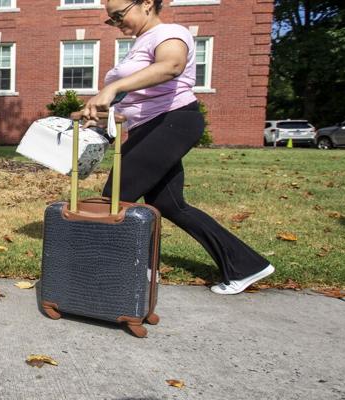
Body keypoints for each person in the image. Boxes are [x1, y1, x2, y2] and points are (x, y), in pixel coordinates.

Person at [81, 0, 274, 295]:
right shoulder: (140, 43)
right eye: (112, 20)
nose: (117, 23)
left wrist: (113, 87)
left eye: (119, 15)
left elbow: (171, 66)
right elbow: (137, 103)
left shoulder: (169, 32)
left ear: (146, 3)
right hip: (154, 127)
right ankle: (246, 265)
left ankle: (132, 272)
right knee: (169, 205)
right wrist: (96, 113)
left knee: (116, 199)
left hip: (171, 123)